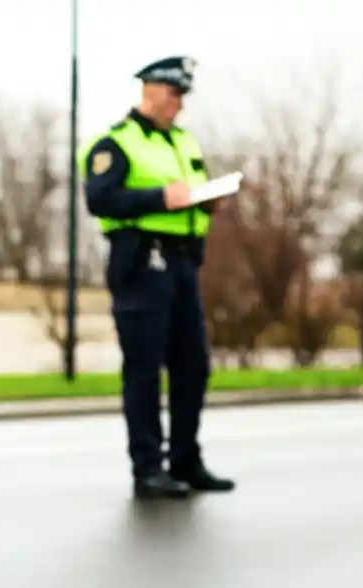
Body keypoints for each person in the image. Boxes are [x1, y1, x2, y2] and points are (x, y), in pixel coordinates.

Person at [80, 55, 236, 500]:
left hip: (184, 264)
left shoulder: (183, 142)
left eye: (183, 95)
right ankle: (148, 468)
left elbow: (189, 190)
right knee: (144, 369)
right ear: (148, 89)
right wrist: (160, 198)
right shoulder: (114, 144)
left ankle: (185, 460)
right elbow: (101, 199)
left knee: (193, 366)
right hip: (141, 264)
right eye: (173, 94)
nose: (179, 104)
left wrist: (207, 201)